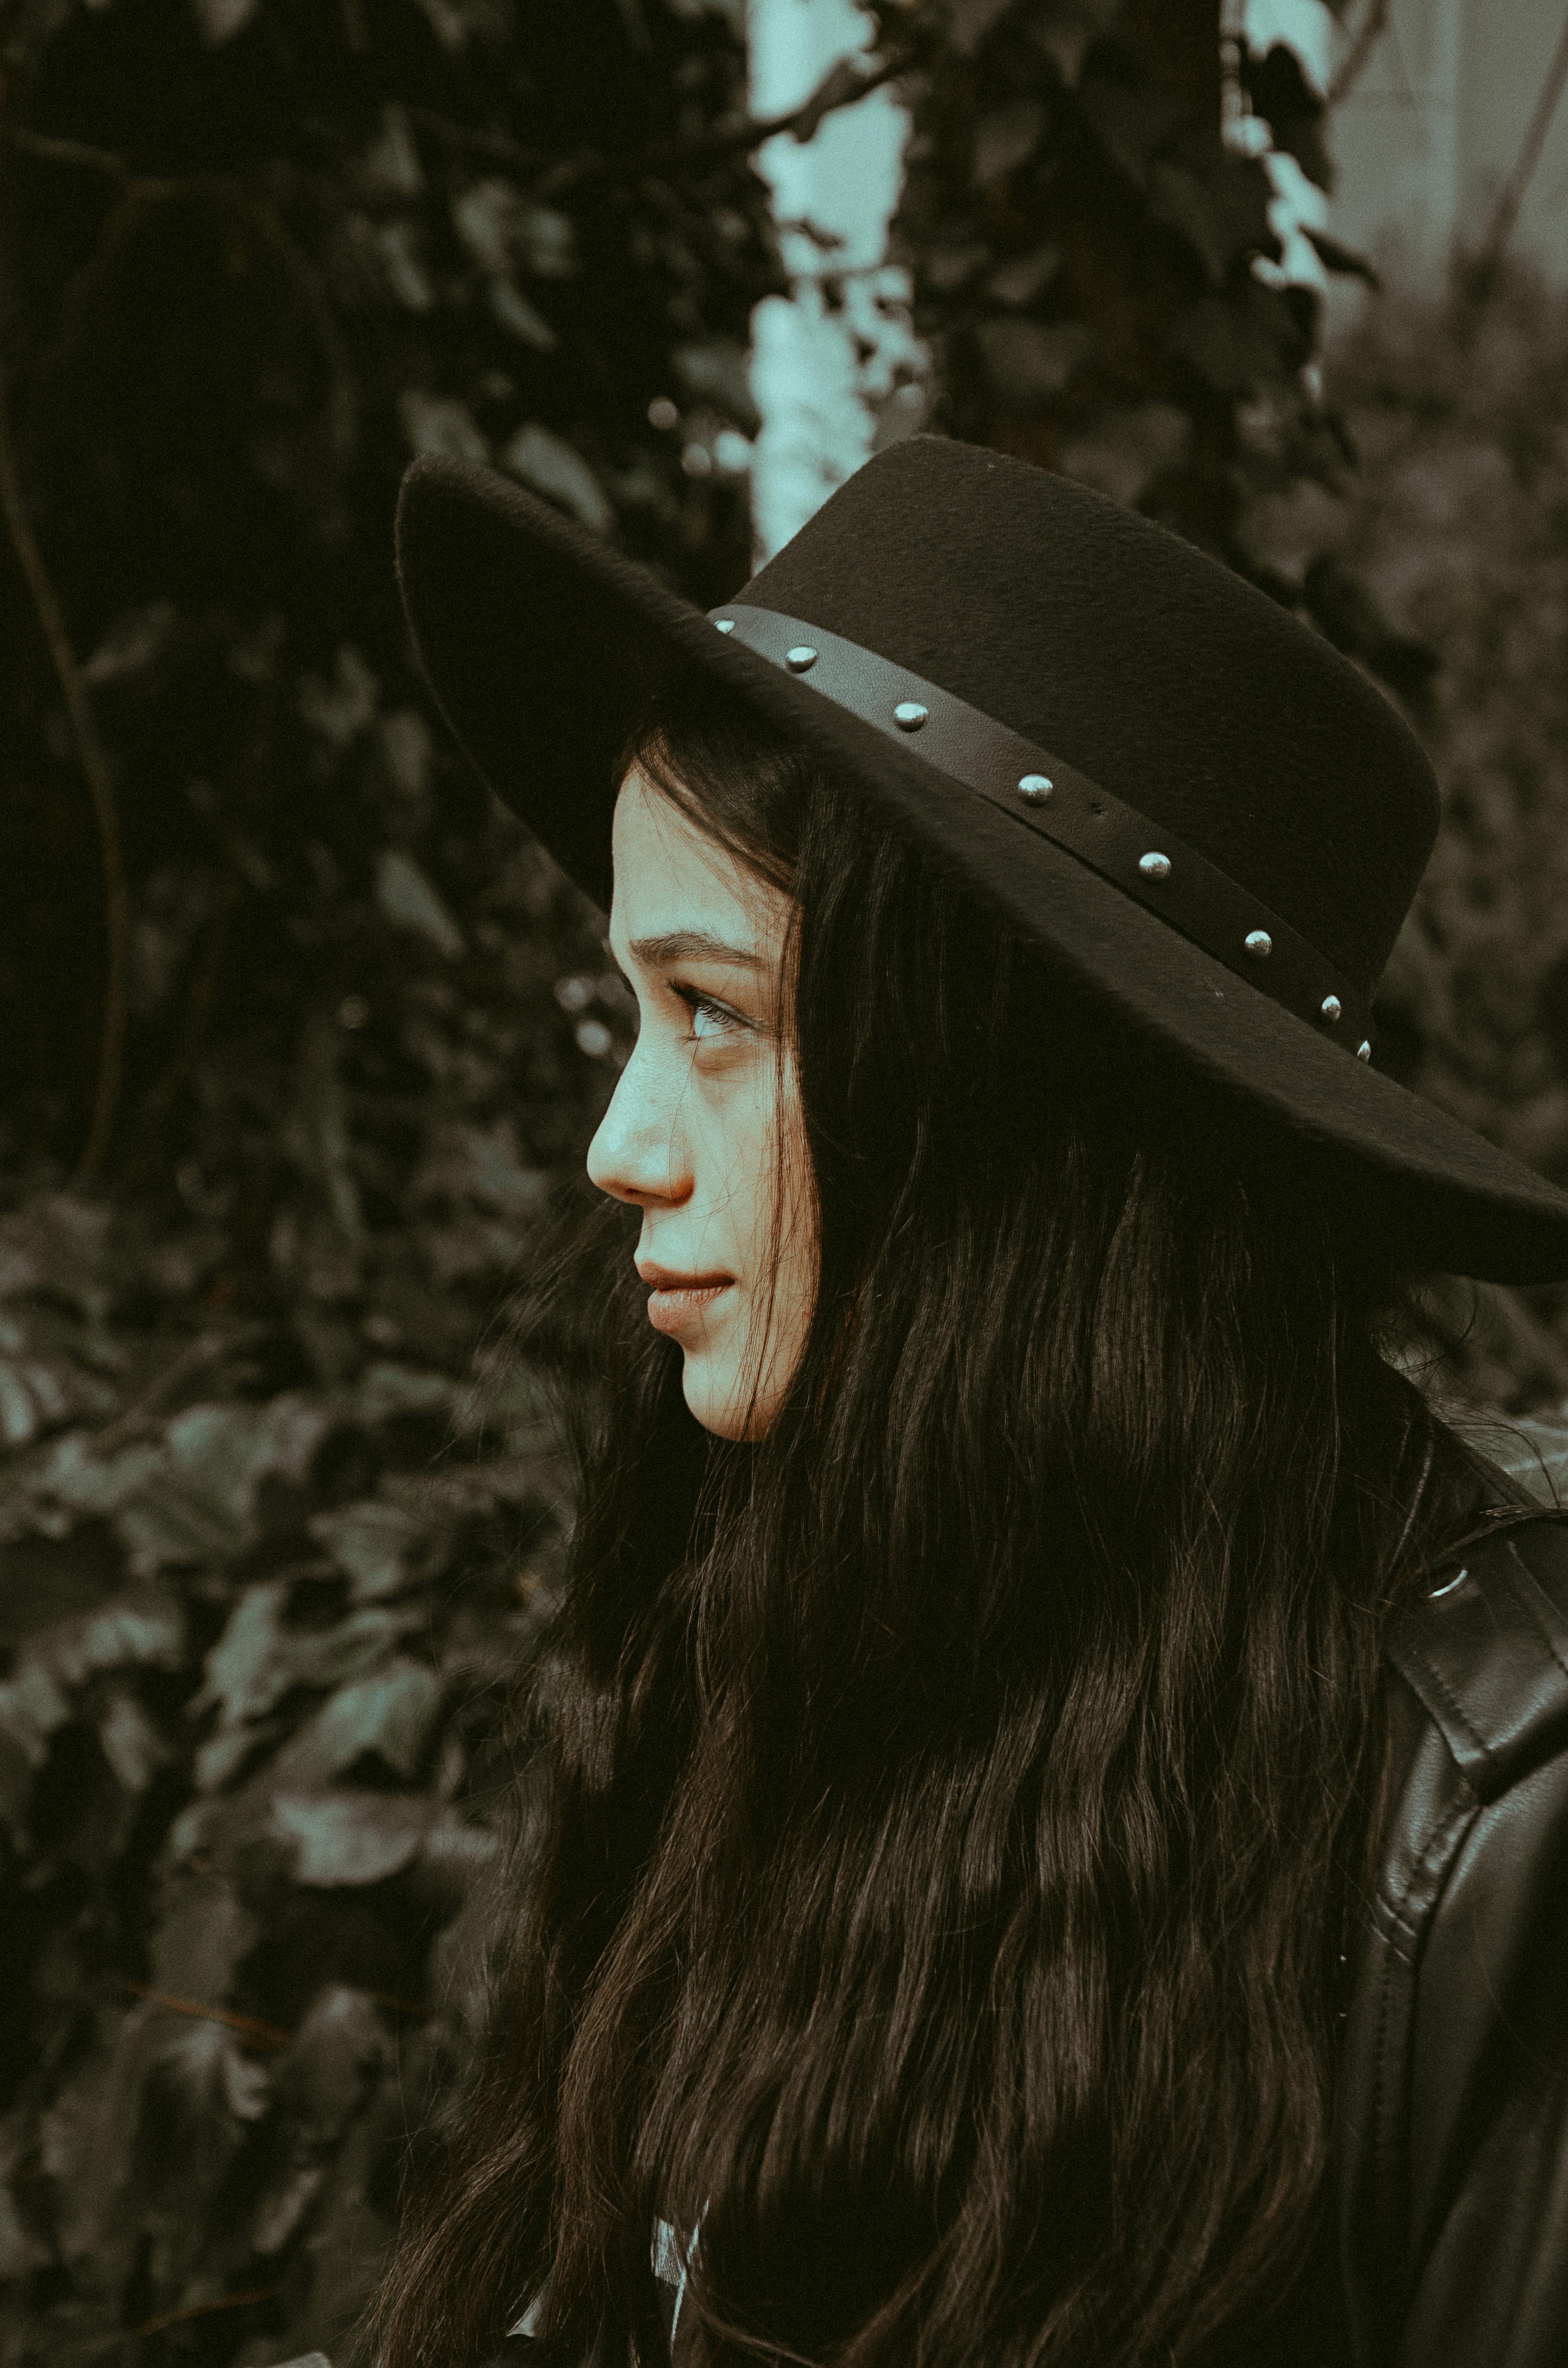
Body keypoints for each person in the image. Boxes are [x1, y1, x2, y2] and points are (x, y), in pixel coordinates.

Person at [363, 435, 1568, 2368]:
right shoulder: (778, 1601)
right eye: (630, 1010)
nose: (618, 1145)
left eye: (720, 1013)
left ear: (1002, 1107)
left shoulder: (1501, 1810)